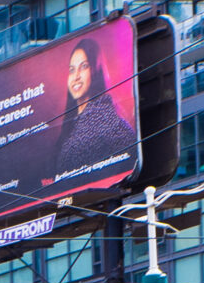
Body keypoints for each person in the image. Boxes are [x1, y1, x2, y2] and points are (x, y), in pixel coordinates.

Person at [47, 37, 139, 186]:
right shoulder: (72, 124)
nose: (76, 76)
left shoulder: (105, 118)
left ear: (95, 70)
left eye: (83, 67)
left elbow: (132, 157)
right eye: (71, 70)